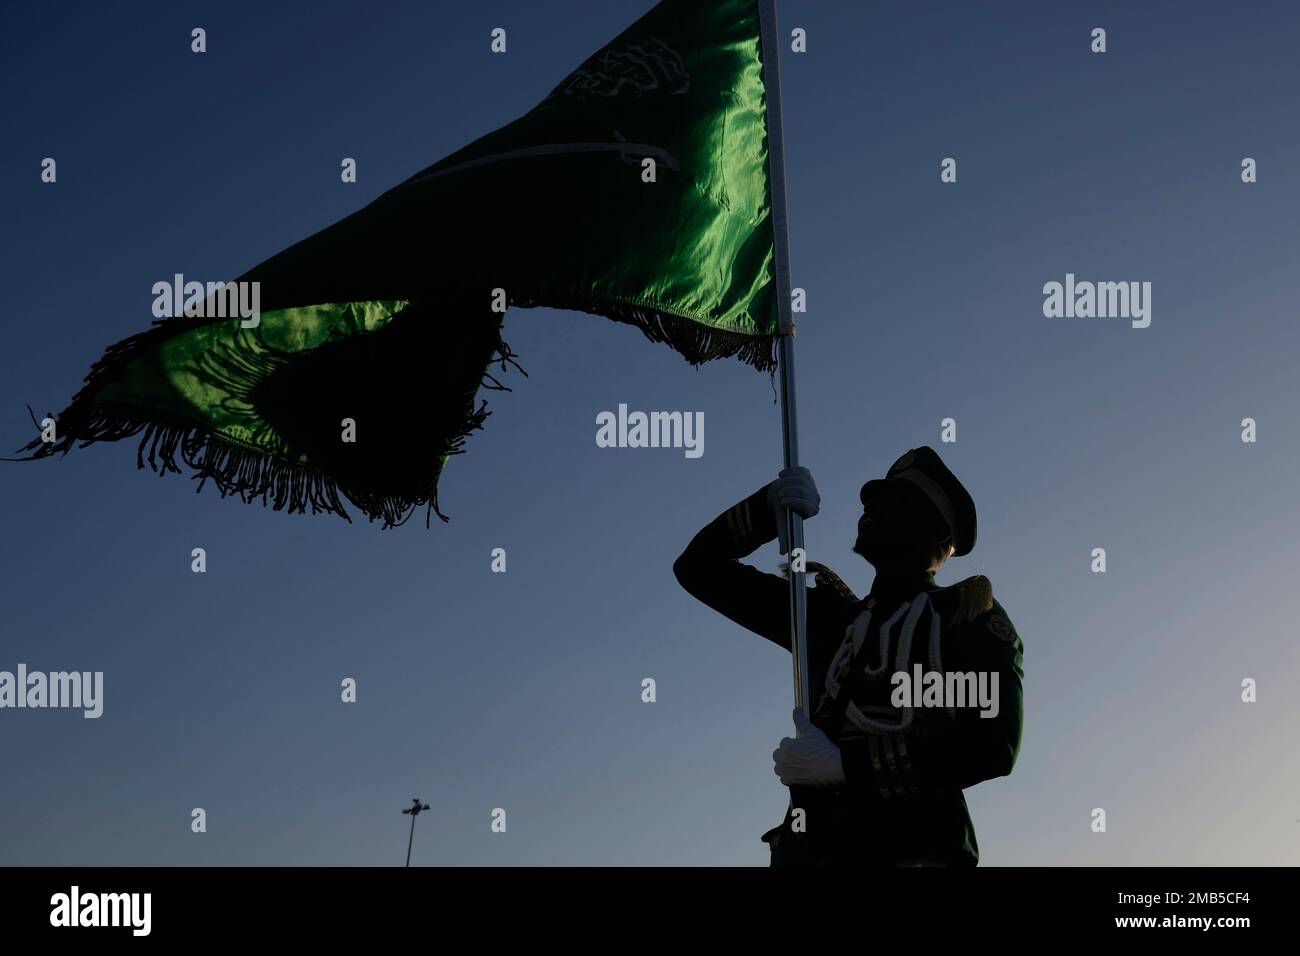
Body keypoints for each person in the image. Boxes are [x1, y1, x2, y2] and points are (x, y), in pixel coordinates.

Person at [672, 446, 1024, 866]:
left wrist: (848, 766)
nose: (870, 504)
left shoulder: (962, 614)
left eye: (894, 499)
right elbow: (698, 569)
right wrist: (766, 510)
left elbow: (991, 745)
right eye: (871, 498)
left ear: (941, 534)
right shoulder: (827, 619)